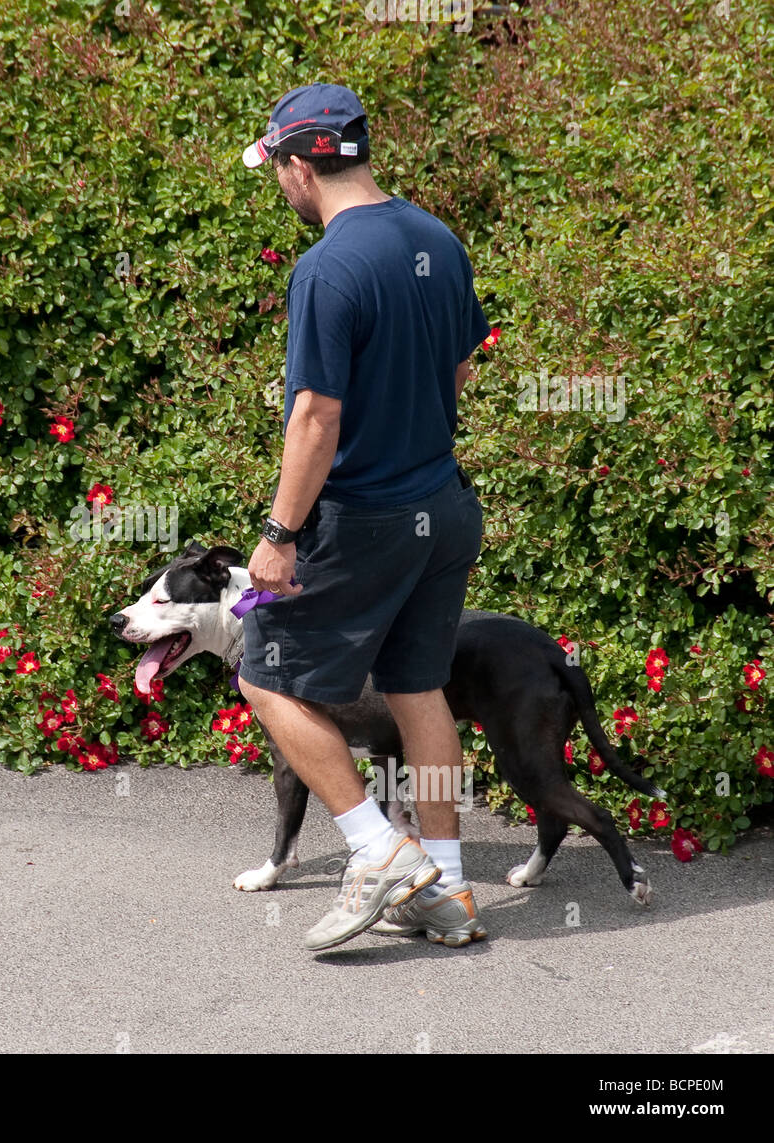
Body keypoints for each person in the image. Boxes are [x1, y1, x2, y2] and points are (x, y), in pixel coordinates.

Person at [236, 83, 491, 952]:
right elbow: (459, 371)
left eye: (275, 167)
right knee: (418, 686)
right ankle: (447, 888)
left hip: (363, 519)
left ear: (303, 163)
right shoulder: (437, 240)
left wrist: (278, 538)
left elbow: (315, 416)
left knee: (265, 676)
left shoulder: (329, 265)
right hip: (444, 508)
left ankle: (380, 850)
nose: (277, 183)